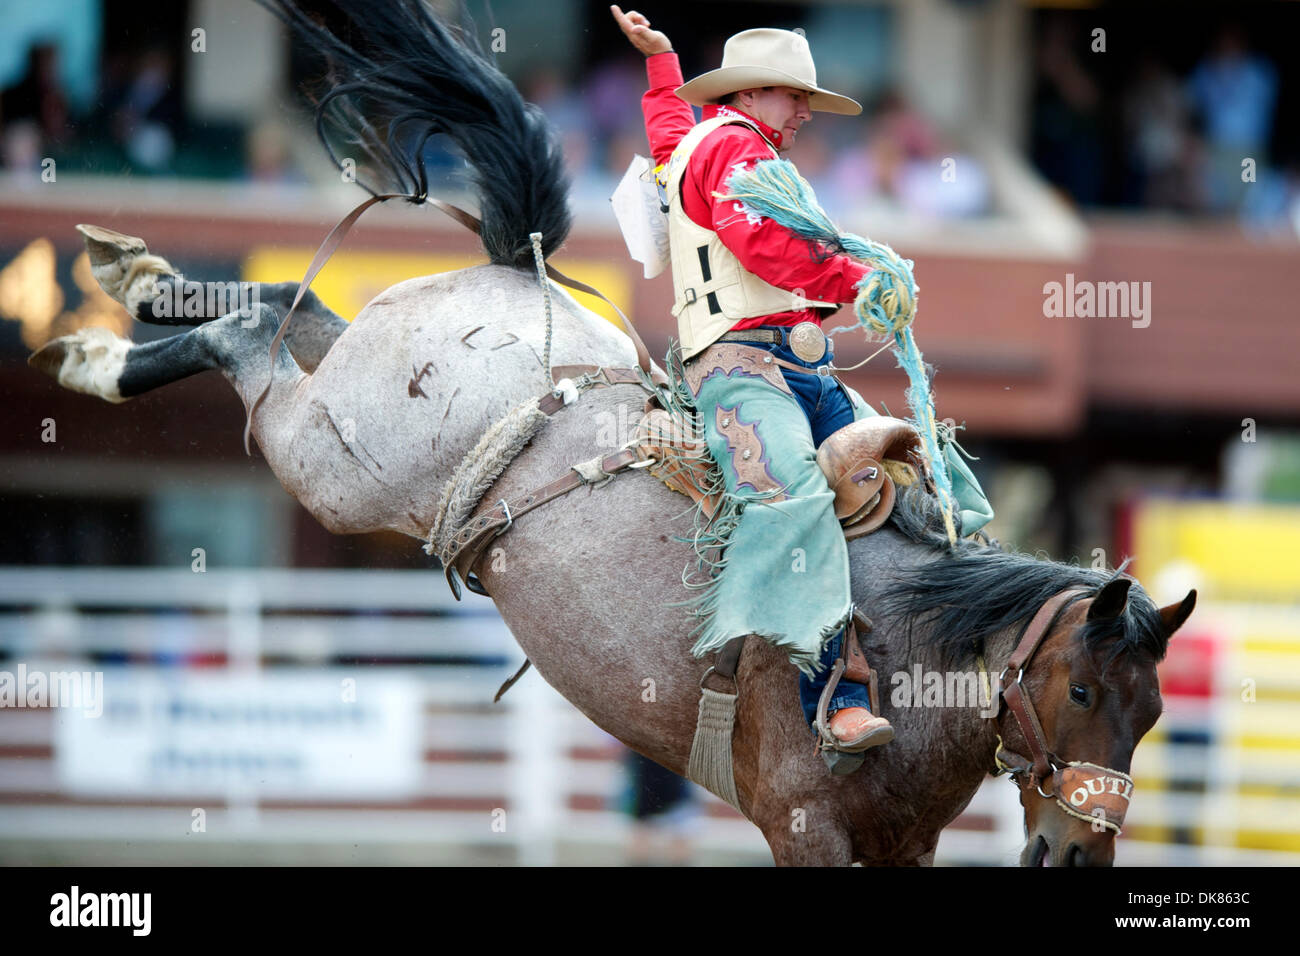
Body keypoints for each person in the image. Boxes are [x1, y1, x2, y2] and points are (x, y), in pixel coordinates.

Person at [611, 6, 890, 753]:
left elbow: (670, 137)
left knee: (904, 471)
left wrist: (662, 63)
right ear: (749, 93)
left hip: (787, 365)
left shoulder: (704, 147)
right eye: (793, 95)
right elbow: (762, 245)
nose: (804, 111)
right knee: (796, 499)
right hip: (743, 369)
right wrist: (859, 276)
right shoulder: (735, 149)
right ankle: (834, 698)